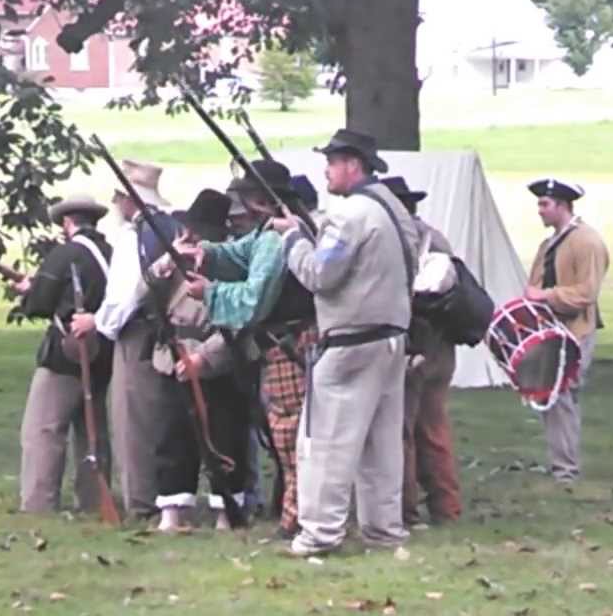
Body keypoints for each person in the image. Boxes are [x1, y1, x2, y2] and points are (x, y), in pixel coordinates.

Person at [272, 129, 420, 557]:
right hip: (391, 338)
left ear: (353, 164)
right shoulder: (393, 208)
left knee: (325, 443)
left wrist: (292, 238)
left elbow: (320, 274)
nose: (326, 171)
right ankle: (383, 530)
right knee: (381, 447)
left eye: (332, 162)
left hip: (352, 342)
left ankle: (318, 534)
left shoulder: (350, 214)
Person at [176, 160, 317, 541]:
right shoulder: (270, 233)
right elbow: (240, 254)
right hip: (284, 345)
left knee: (290, 435)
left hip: (288, 345)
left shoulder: (275, 239)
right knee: (289, 435)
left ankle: (297, 517)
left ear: (258, 200)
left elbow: (254, 299)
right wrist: (206, 253)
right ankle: (297, 513)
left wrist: (210, 292)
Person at [70, 159, 176, 520]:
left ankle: (141, 501)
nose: (116, 203)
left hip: (138, 333)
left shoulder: (135, 235)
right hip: (170, 330)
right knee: (161, 417)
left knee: (133, 422)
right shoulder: (171, 226)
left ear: (130, 198)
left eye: (120, 196)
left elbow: (127, 294)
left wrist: (97, 322)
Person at [143, 190, 251, 532]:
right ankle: (173, 509)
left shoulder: (232, 264)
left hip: (215, 357)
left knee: (224, 437)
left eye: (197, 229)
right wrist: (166, 262)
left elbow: (239, 318)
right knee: (172, 435)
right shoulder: (173, 261)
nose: (189, 234)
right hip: (173, 353)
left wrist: (204, 357)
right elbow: (144, 296)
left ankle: (226, 510)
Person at [15, 194, 114, 513]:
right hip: (104, 351)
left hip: (65, 354)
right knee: (92, 430)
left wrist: (28, 292)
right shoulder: (112, 253)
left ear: (68, 222)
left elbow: (40, 304)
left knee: (43, 429)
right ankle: (94, 501)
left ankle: (39, 503)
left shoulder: (65, 254)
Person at [380, 176, 463, 527]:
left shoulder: (398, 241)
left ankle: (405, 511)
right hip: (442, 346)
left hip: (414, 344)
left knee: (400, 431)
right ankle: (446, 507)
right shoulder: (435, 238)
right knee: (434, 429)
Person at [525, 177, 609, 484]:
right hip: (550, 330)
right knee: (550, 397)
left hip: (576, 330)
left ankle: (566, 468)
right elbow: (533, 285)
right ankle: (560, 462)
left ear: (562, 205)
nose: (540, 210)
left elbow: (587, 292)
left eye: (544, 204)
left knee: (562, 395)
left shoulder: (587, 242)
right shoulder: (549, 244)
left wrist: (546, 296)